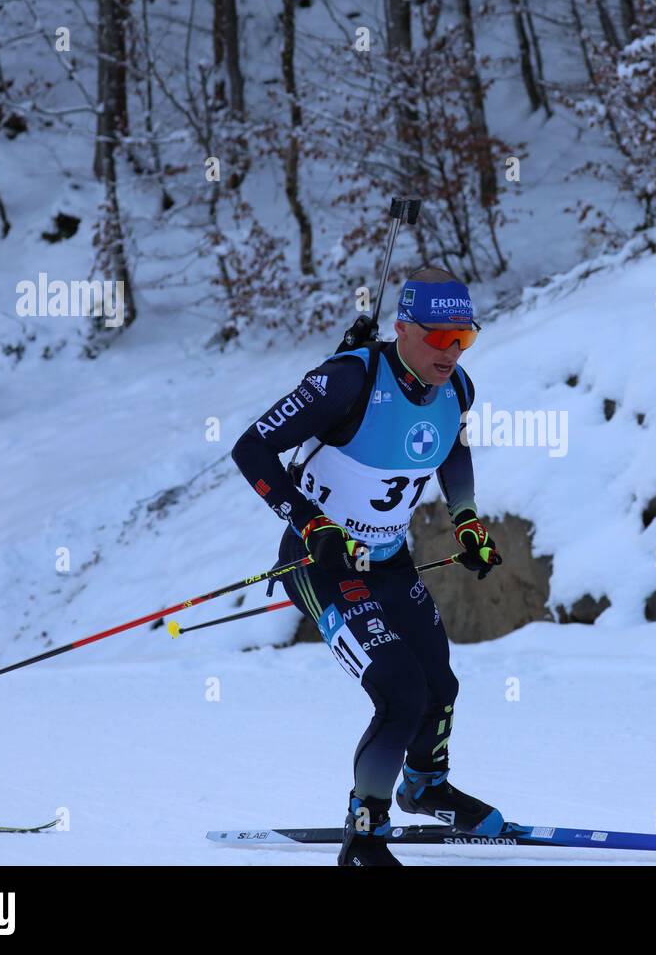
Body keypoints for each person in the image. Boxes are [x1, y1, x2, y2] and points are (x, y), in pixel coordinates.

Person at [231, 266, 504, 866]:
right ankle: (365, 836)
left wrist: (465, 519)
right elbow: (250, 447)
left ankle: (425, 787)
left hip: (389, 560)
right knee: (400, 691)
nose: (451, 352)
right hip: (319, 563)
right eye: (439, 338)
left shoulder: (456, 390)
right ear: (403, 328)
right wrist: (311, 523)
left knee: (439, 684)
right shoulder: (347, 381)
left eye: (465, 339)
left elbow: (453, 451)